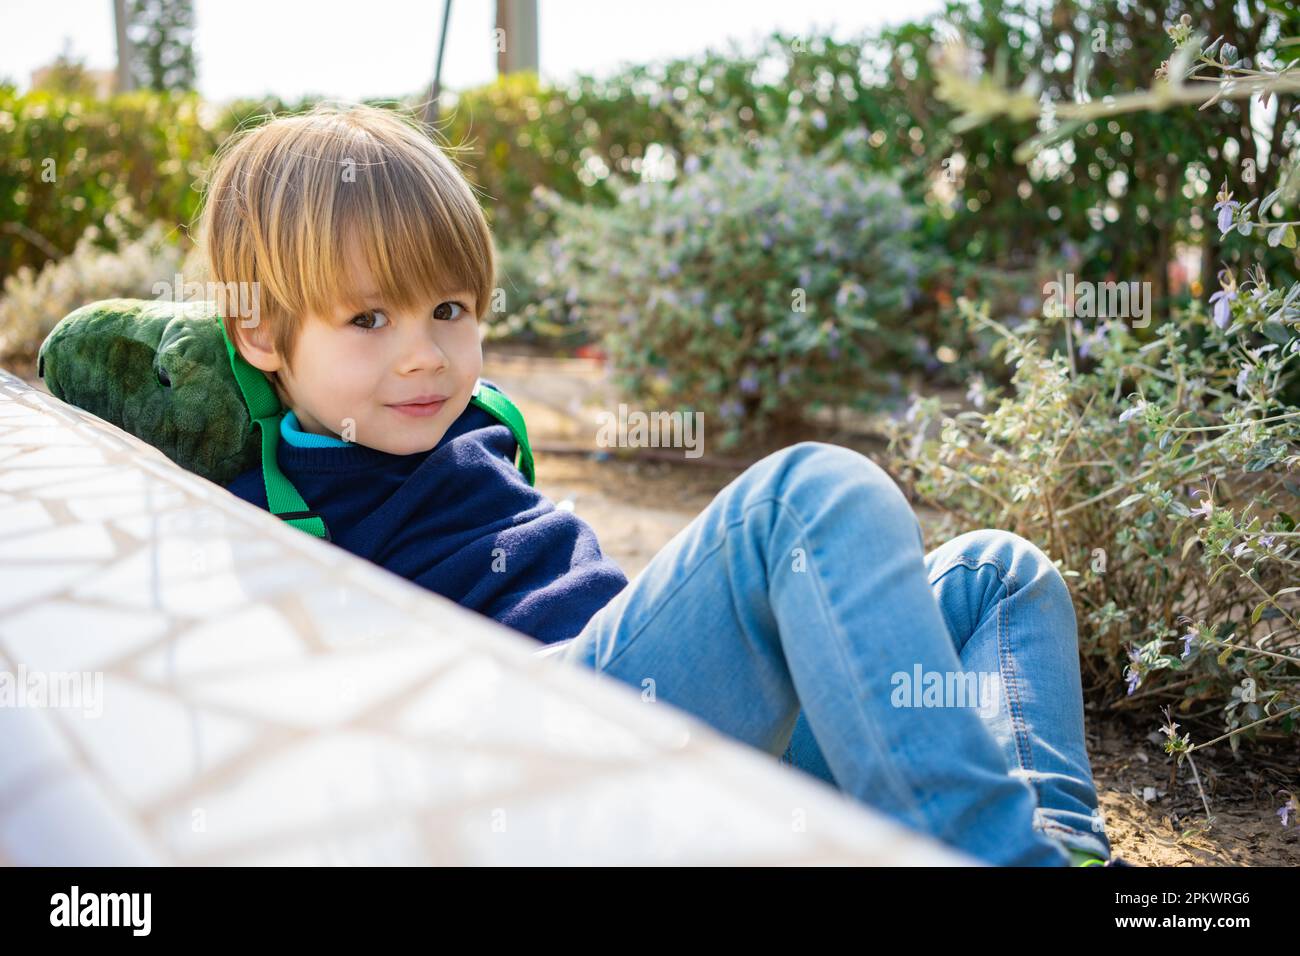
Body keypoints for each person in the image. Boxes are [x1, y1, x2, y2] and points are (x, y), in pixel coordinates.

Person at [205, 102, 1111, 867]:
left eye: (448, 309)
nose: (423, 355)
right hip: (552, 758)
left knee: (1000, 573)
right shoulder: (267, 514)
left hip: (668, 713)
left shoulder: (474, 428)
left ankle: (1058, 850)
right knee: (808, 500)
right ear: (259, 335)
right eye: (367, 318)